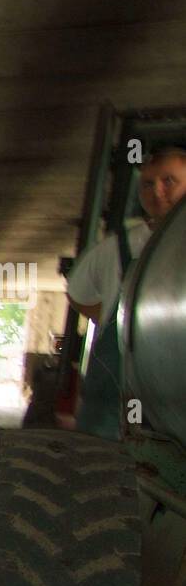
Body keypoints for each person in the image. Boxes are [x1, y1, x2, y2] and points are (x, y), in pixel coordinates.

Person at [66, 145, 186, 440]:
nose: (157, 191)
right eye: (147, 184)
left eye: (169, 181)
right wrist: (113, 317)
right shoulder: (117, 248)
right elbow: (78, 293)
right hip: (113, 405)